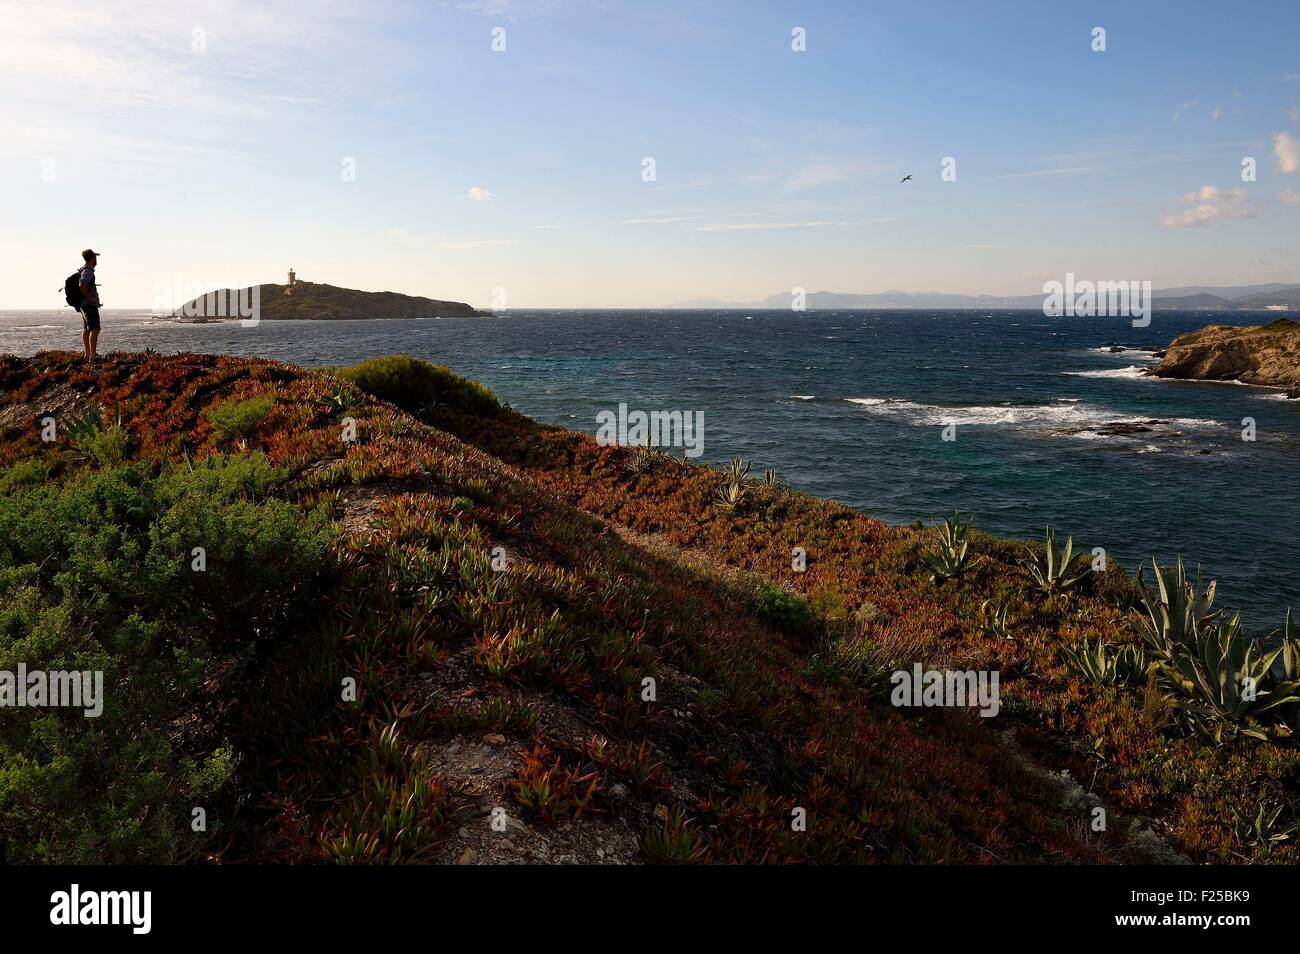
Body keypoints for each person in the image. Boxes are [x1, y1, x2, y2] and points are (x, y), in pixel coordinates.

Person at [78, 248, 102, 361]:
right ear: (92, 258)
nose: (96, 259)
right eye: (95, 257)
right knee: (95, 329)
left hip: (84, 304)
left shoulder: (83, 270)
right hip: (89, 305)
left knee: (87, 328)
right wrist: (91, 299)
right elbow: (82, 285)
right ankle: (93, 356)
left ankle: (88, 354)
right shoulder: (88, 271)